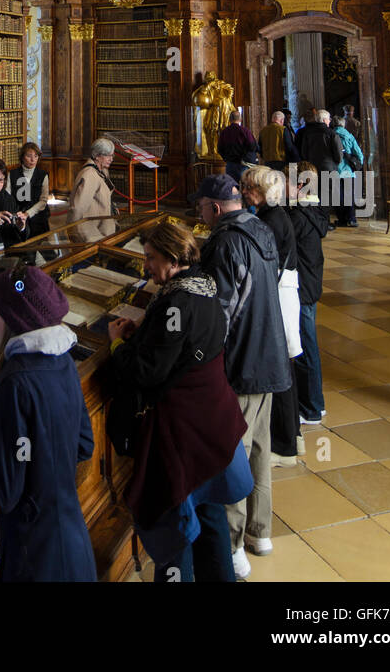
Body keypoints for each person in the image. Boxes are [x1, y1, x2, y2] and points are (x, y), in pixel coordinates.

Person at [108, 220, 251, 582]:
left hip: (184, 429)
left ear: (172, 259)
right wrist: (145, 334)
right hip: (212, 419)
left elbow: (147, 372)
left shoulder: (177, 300)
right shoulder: (203, 285)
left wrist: (117, 344)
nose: (146, 266)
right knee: (210, 512)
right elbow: (181, 344)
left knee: (175, 527)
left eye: (151, 258)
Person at [0, 264, 96, 581]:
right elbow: (83, 444)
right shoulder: (63, 361)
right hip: (72, 542)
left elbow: (4, 492)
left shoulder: (16, 384)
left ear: (15, 321)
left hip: (34, 558)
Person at [196, 173, 290, 579]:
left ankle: (233, 545)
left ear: (215, 208)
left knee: (232, 454)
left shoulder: (224, 241)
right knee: (260, 450)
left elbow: (222, 312)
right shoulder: (260, 227)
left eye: (201, 206)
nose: (199, 213)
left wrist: (205, 359)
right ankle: (260, 530)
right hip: (271, 354)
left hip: (243, 362)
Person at [241, 168, 301, 467]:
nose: (243, 191)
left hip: (277, 298)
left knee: (280, 370)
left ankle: (284, 444)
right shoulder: (272, 215)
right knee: (284, 367)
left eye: (248, 186)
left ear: (262, 191)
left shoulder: (270, 221)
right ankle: (292, 436)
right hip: (282, 294)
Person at [287, 164, 330, 426]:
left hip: (303, 285)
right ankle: (313, 402)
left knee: (305, 343)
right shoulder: (313, 210)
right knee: (306, 341)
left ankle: (312, 406)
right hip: (310, 281)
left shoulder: (299, 216)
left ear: (301, 186)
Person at [67, 138, 117, 242]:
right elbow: (78, 207)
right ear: (97, 156)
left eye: (112, 155)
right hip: (92, 234)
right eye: (107, 155)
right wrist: (72, 232)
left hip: (101, 229)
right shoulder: (89, 174)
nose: (111, 159)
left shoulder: (101, 171)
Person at [296, 110, 343, 216]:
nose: (330, 120)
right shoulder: (331, 133)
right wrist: (334, 163)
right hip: (328, 168)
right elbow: (339, 155)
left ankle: (315, 219)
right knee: (327, 196)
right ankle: (325, 221)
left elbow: (303, 152)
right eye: (329, 118)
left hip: (312, 169)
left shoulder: (307, 133)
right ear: (324, 120)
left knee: (313, 194)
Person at [7, 142, 50, 238]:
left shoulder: (42, 175)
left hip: (38, 219)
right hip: (18, 218)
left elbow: (43, 201)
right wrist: (17, 214)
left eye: (36, 156)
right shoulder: (12, 174)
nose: (33, 160)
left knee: (44, 248)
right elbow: (7, 196)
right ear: (22, 157)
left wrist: (27, 214)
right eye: (29, 156)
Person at [331, 114, 364, 228]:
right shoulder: (349, 136)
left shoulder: (330, 135)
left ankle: (342, 219)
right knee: (349, 195)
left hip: (335, 170)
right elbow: (359, 154)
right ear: (343, 124)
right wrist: (357, 164)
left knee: (337, 196)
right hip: (348, 171)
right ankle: (351, 219)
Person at [217, 109, 258, 183]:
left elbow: (220, 149)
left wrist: (226, 158)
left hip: (230, 164)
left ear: (229, 119)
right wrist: (244, 156)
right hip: (242, 164)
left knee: (232, 187)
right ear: (240, 119)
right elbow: (253, 146)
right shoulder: (245, 131)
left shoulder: (224, 132)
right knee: (244, 187)